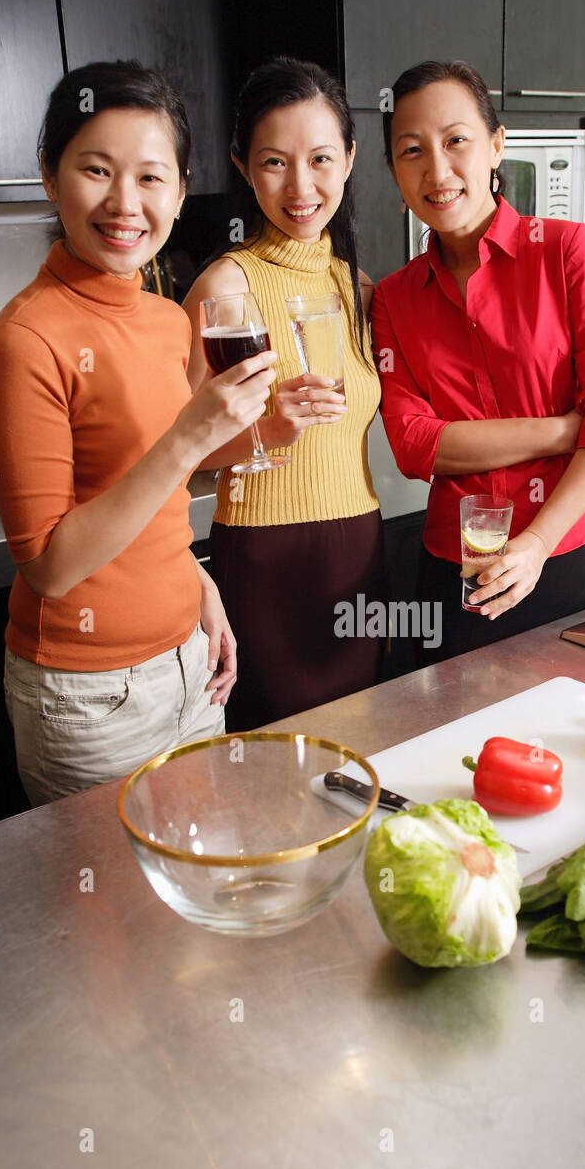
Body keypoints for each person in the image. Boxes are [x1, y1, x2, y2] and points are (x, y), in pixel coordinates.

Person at [0, 61, 279, 806]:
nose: (124, 203)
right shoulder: (26, 339)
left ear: (178, 191)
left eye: (150, 177)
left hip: (193, 665)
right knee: (109, 920)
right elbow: (48, 566)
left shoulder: (166, 318)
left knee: (196, 899)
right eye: (97, 170)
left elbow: (156, 501)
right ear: (50, 176)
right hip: (90, 701)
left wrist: (196, 585)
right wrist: (188, 434)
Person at [370, 60, 585, 664]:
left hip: (575, 549)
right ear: (394, 171)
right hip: (457, 566)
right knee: (458, 743)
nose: (437, 170)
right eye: (411, 151)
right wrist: (560, 429)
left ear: (496, 146)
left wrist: (537, 543)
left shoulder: (567, 251)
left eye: (456, 141)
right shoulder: (393, 299)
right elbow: (416, 447)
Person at [183, 57, 387, 732]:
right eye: (275, 162)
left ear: (350, 159)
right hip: (264, 561)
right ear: (243, 166)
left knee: (360, 752)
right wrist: (269, 430)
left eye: (321, 159)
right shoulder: (225, 292)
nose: (301, 186)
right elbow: (182, 463)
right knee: (277, 769)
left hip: (356, 549)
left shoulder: (360, 289)